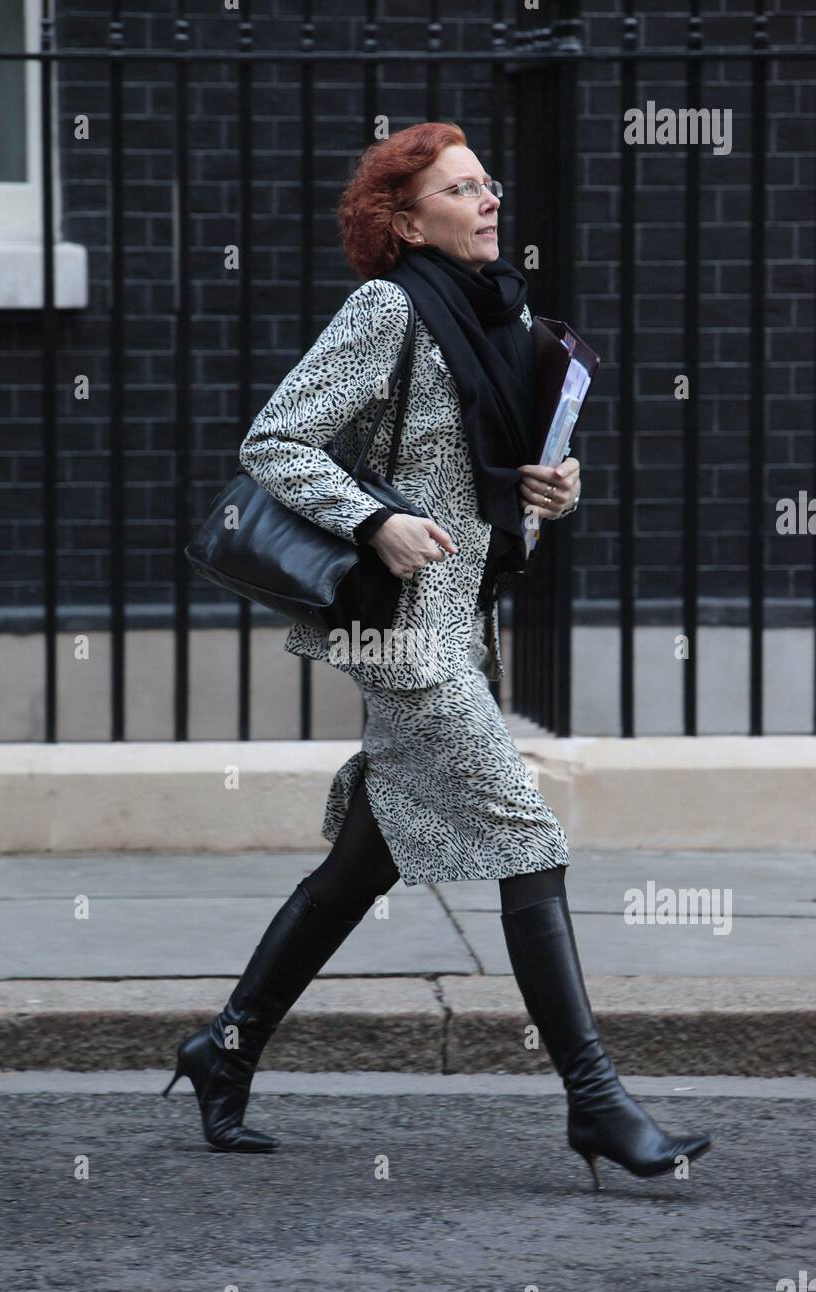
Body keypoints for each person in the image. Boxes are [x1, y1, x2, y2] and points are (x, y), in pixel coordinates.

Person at [164, 122, 711, 1189]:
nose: (487, 198)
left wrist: (546, 495)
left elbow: (488, 500)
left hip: (465, 626)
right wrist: (370, 517)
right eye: (460, 189)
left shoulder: (493, 318)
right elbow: (274, 440)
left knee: (363, 859)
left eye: (486, 181)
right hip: (404, 635)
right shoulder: (388, 308)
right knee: (525, 832)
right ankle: (596, 1103)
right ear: (405, 220)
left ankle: (222, 1048)